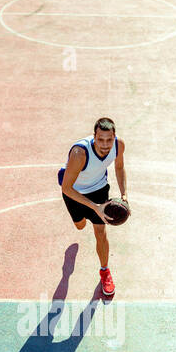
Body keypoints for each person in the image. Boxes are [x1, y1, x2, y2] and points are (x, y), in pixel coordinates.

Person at [59, 117, 127, 299]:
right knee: (80, 226)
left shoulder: (118, 146)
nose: (105, 144)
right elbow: (66, 188)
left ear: (114, 137)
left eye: (109, 139)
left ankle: (105, 272)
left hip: (99, 189)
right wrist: (94, 207)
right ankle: (68, 267)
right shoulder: (79, 153)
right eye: (100, 139)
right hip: (74, 191)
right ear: (94, 137)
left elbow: (119, 168)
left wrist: (124, 196)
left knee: (100, 232)